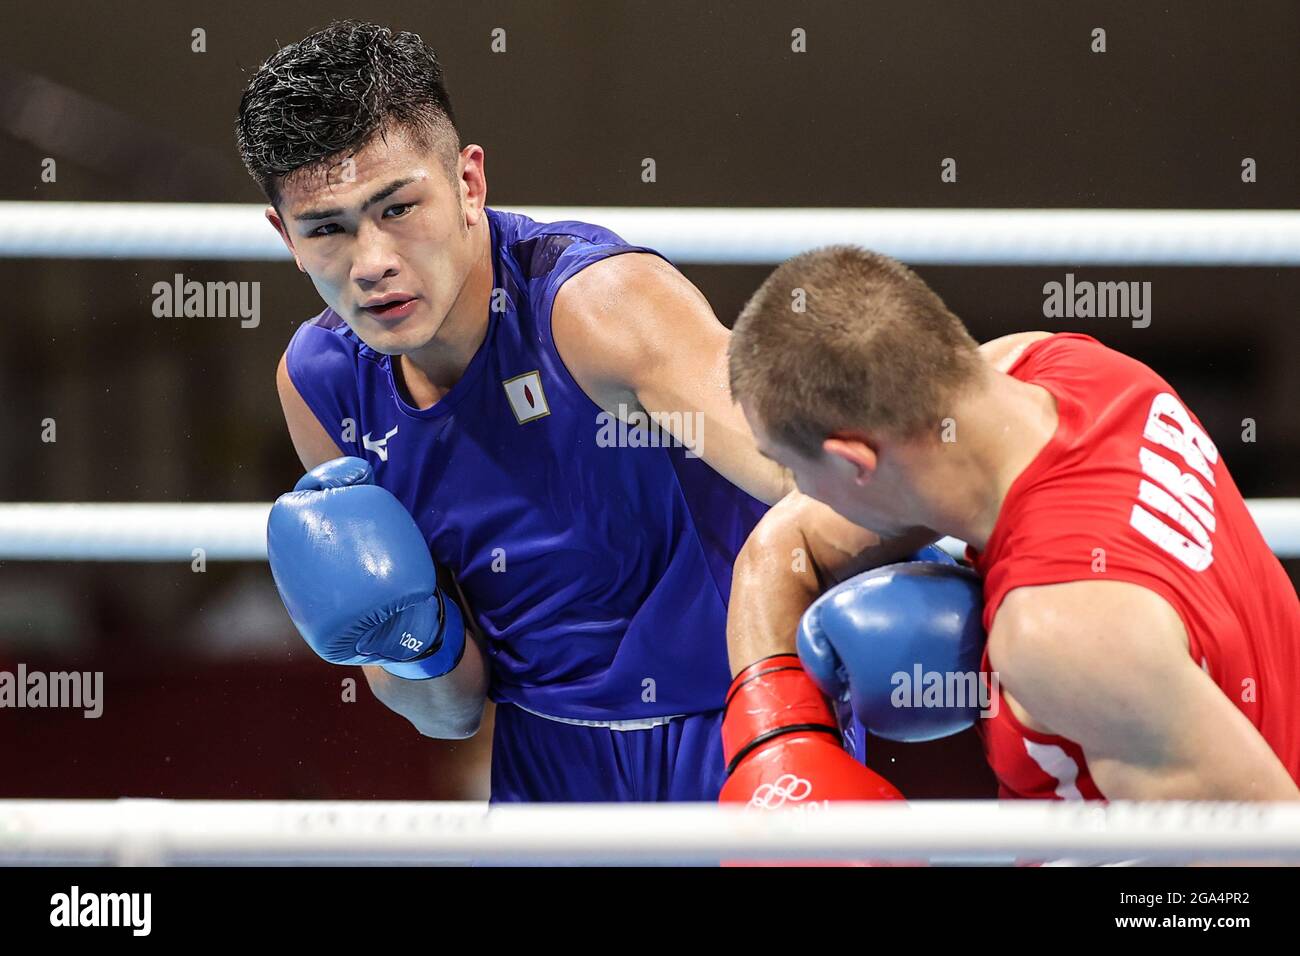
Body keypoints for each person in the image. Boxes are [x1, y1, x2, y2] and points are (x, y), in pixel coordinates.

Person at [237, 20, 793, 802]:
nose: (372, 264)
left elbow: (813, 485)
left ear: (469, 184)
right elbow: (451, 712)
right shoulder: (323, 385)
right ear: (285, 236)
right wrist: (416, 640)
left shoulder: (597, 305)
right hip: (544, 764)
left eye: (397, 209)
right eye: (327, 229)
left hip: (743, 733)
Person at [723, 244, 1300, 803]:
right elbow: (785, 548)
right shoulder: (1070, 366)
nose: (798, 493)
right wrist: (784, 744)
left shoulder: (1056, 631)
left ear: (854, 463)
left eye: (793, 469)